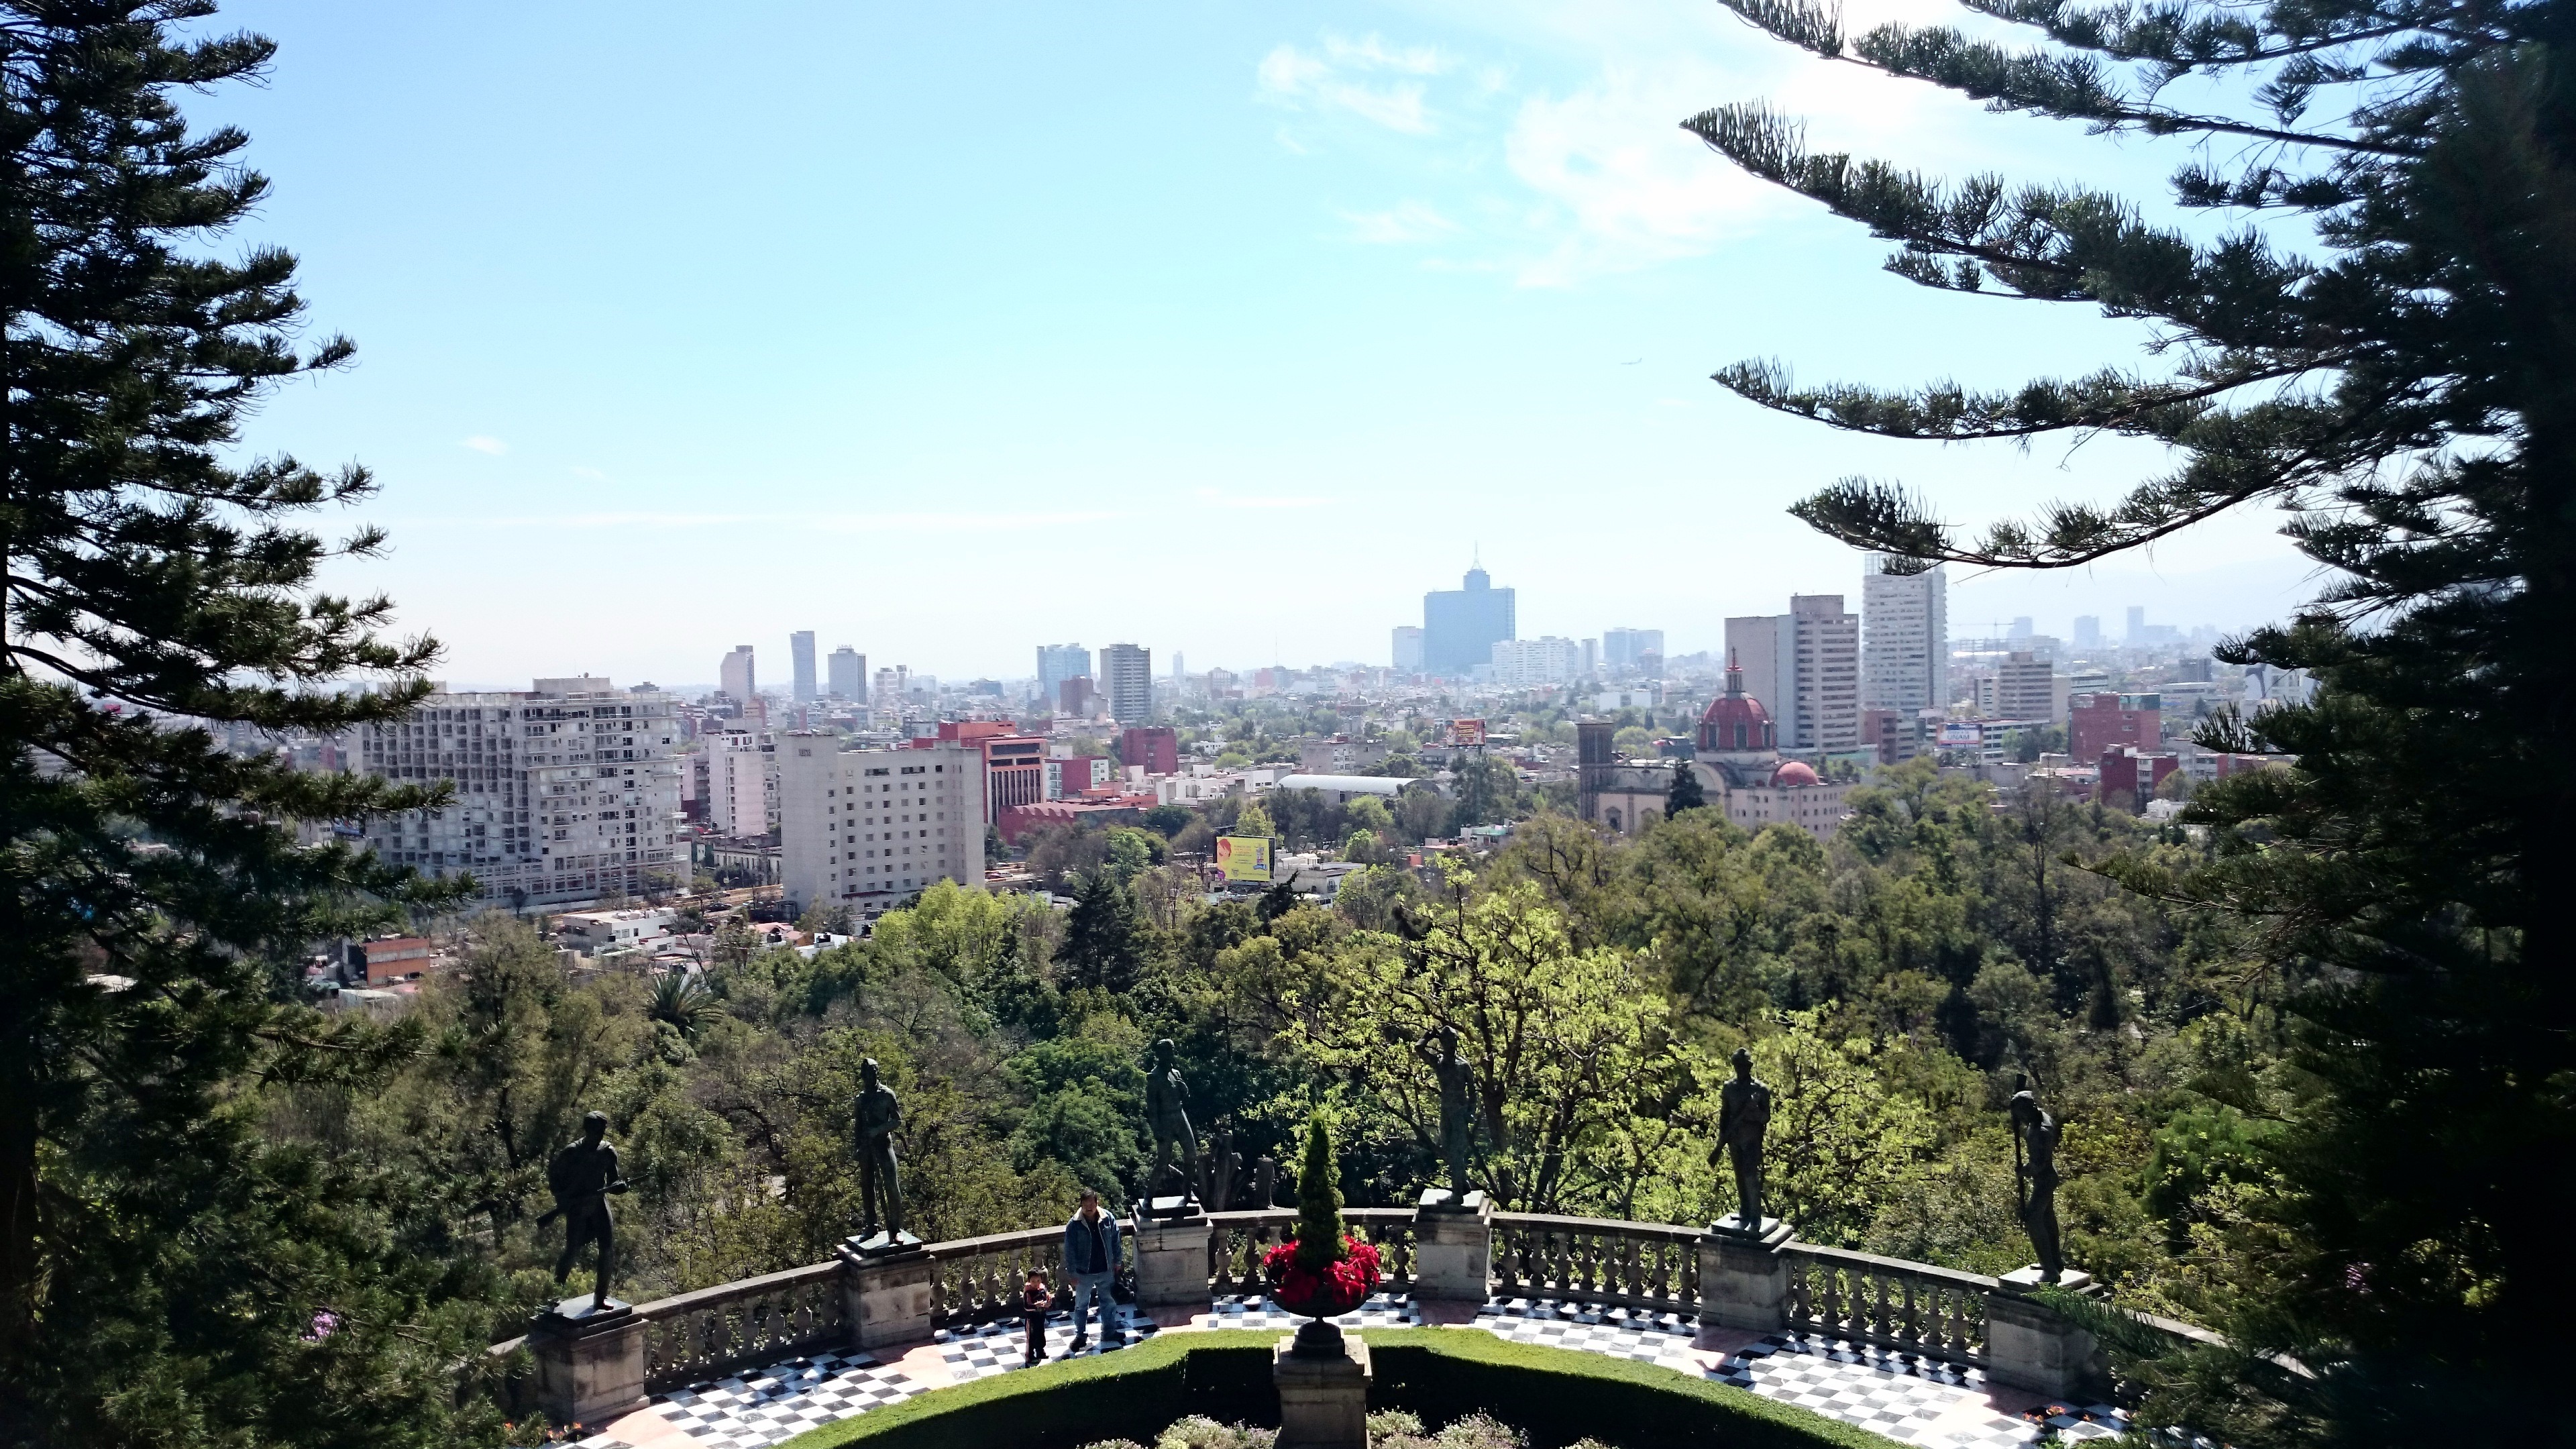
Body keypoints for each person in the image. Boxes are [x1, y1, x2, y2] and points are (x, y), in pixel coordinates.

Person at [543, 1111, 630, 1309]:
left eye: (602, 1131)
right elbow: (554, 1178)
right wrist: (563, 1200)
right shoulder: (572, 1152)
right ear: (587, 1130)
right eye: (595, 1130)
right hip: (577, 1206)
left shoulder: (608, 1151)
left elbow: (614, 1180)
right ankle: (554, 1297)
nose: (599, 1134)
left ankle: (600, 1298)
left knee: (607, 1250)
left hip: (599, 1203)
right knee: (572, 1251)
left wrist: (620, 1187)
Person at [1061, 1188, 1123, 1350]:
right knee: (1081, 1305)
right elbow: (1069, 1250)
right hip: (1083, 1272)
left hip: (1105, 1269)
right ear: (1081, 1205)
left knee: (1108, 1303)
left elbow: (1116, 1240)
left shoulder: (1108, 1218)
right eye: (1085, 1204)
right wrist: (1072, 1273)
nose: (1089, 1207)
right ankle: (1081, 1335)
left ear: (1097, 1203)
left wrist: (1117, 1261)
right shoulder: (1074, 1225)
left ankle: (1109, 1331)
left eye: (1092, 1204)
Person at [1020, 1269, 1052, 1366]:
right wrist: (1036, 1305)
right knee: (1031, 1338)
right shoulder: (1028, 1293)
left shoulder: (1043, 1289)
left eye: (1038, 1281)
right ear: (1029, 1281)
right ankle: (1030, 1356)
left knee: (1041, 1334)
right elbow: (1026, 1307)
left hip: (1041, 1317)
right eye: (1033, 1281)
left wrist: (1047, 1304)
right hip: (1031, 1319)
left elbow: (1049, 1299)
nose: (1036, 1283)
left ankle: (1040, 1352)